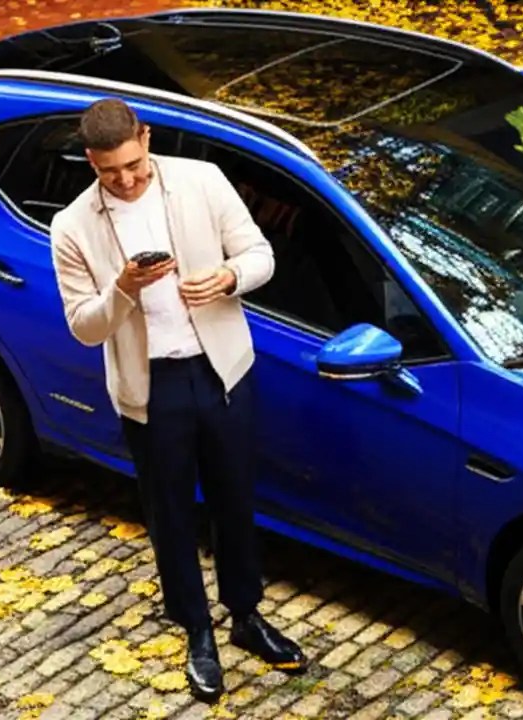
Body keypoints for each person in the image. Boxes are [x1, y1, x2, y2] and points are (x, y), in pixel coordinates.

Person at [49, 97, 306, 701]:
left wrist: (227, 279)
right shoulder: (74, 225)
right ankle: (197, 631)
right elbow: (84, 326)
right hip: (150, 387)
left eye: (135, 164)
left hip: (223, 370)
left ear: (146, 137)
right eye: (112, 172)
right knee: (169, 514)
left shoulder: (201, 181)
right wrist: (124, 287)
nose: (128, 179)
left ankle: (245, 616)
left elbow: (259, 255)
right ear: (92, 161)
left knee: (235, 498)